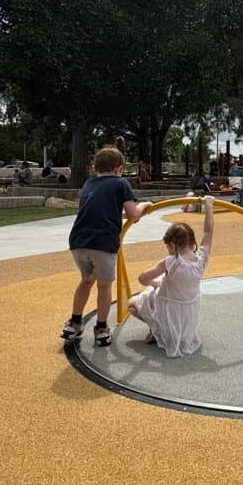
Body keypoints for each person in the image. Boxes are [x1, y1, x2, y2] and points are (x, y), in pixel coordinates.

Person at [62, 146, 151, 348]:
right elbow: (133, 214)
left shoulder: (88, 184)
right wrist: (145, 205)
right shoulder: (121, 183)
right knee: (104, 285)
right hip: (103, 242)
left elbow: (98, 210)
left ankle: (74, 322)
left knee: (86, 281)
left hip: (78, 241)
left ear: (95, 168)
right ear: (119, 169)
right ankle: (101, 327)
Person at [128, 196, 214, 357]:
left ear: (172, 245)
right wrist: (208, 205)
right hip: (189, 309)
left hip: (167, 307)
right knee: (159, 286)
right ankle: (163, 330)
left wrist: (154, 284)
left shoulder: (170, 262)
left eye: (167, 246)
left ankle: (157, 329)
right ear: (192, 242)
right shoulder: (202, 258)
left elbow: (142, 278)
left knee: (132, 304)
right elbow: (208, 231)